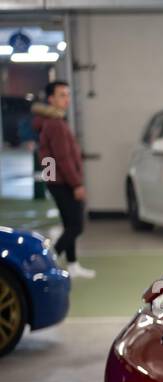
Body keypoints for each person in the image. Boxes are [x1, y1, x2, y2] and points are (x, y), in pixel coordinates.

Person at [32, 80, 94, 279]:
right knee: (76, 226)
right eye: (62, 95)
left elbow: (48, 156)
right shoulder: (55, 124)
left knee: (69, 225)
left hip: (57, 181)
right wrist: (76, 184)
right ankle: (45, 264)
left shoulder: (51, 121)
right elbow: (63, 157)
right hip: (64, 183)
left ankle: (72, 265)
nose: (66, 99)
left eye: (68, 94)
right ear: (51, 99)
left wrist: (51, 178)